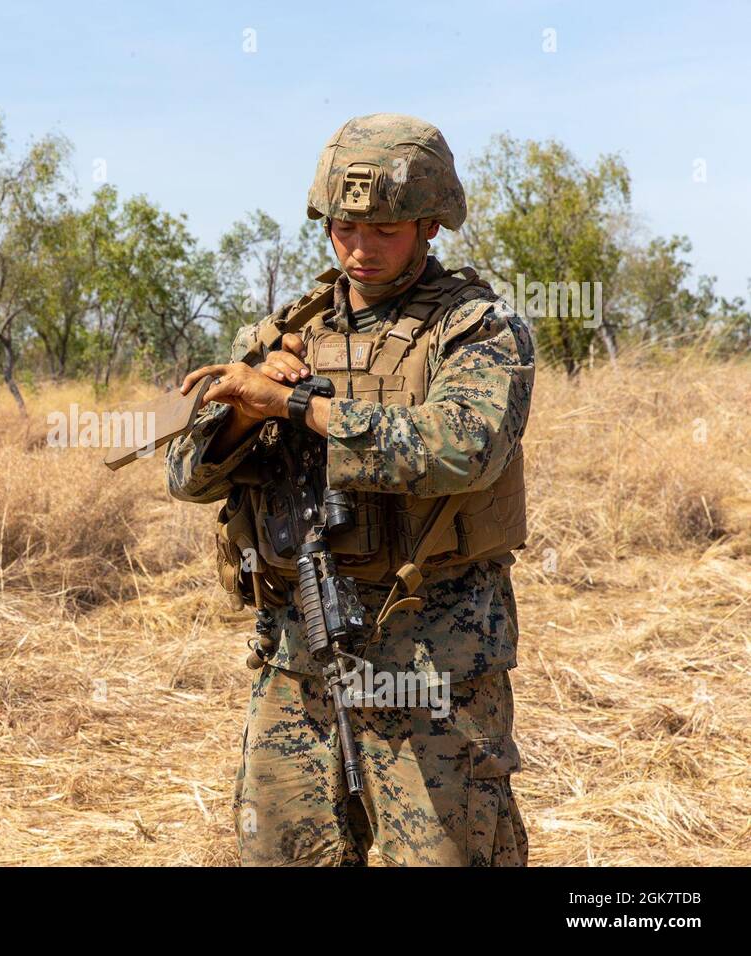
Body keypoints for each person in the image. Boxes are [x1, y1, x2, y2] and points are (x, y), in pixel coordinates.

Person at [166, 113, 536, 866]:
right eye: (343, 226)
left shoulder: (477, 328)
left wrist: (303, 408)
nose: (360, 248)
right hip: (299, 659)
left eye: (386, 229)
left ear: (431, 224)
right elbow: (186, 476)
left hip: (435, 668)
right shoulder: (283, 332)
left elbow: (462, 449)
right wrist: (245, 409)